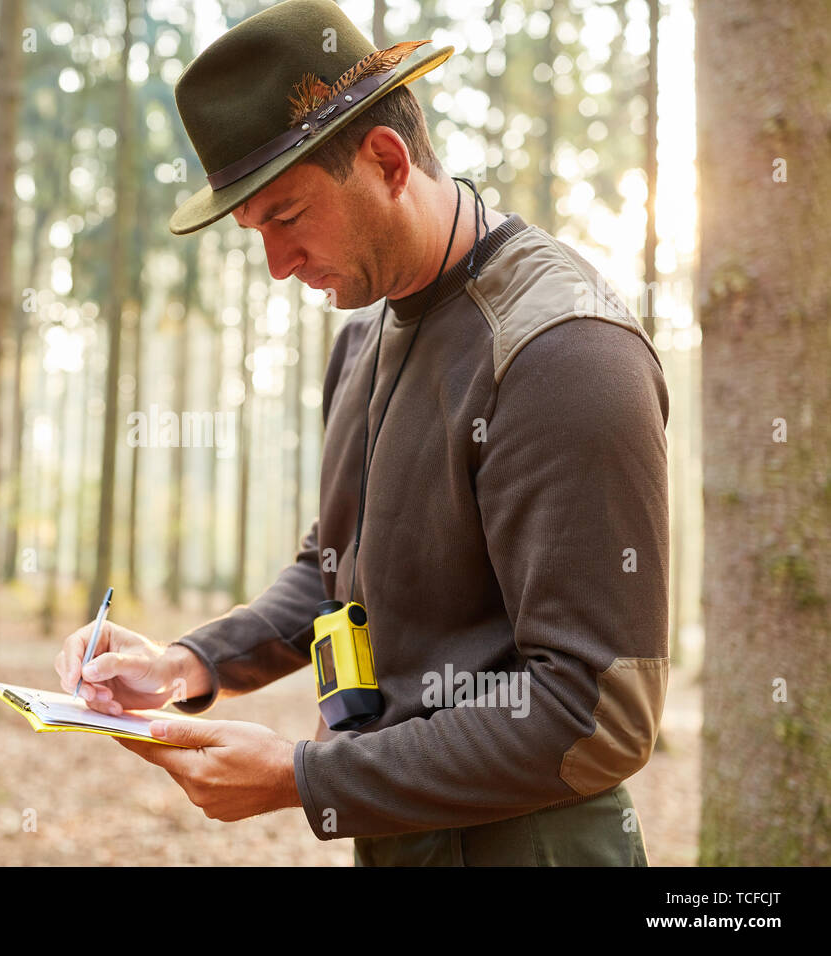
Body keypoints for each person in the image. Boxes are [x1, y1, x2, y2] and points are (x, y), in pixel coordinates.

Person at [55, 0, 669, 866]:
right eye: (254, 232)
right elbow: (333, 570)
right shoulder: (365, 340)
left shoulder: (562, 355)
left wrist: (309, 779)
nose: (275, 265)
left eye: (287, 217)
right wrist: (189, 665)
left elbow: (595, 718)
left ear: (385, 160)